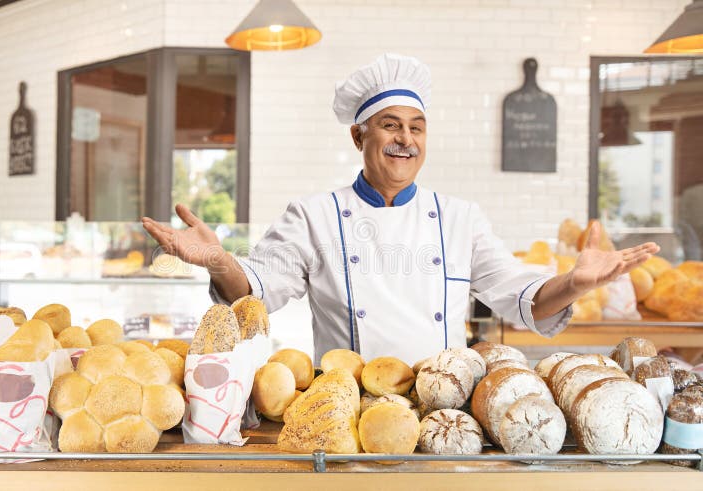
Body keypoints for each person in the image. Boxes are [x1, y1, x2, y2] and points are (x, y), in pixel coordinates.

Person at [143, 54, 659, 365]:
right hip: (345, 407)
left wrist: (575, 282)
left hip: (445, 411)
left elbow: (520, 296)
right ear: (358, 135)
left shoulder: (461, 218)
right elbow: (258, 291)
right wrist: (220, 262)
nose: (405, 139)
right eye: (390, 124)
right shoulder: (313, 215)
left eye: (417, 127)